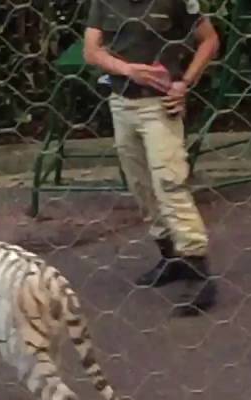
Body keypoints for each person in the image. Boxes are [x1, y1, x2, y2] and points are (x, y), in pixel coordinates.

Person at [83, 0, 221, 317]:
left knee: (169, 182)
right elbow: (92, 51)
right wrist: (128, 70)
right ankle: (170, 255)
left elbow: (209, 39)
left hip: (159, 105)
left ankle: (198, 271)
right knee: (140, 184)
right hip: (121, 103)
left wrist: (185, 83)